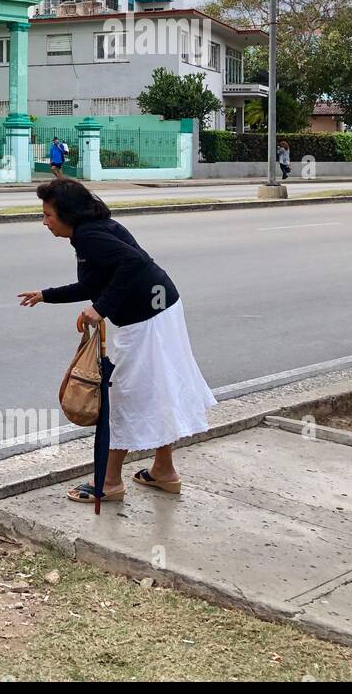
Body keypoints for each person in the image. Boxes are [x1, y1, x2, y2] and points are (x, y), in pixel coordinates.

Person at [17, 178, 216, 505]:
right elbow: (94, 283)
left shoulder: (90, 236)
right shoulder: (92, 231)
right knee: (158, 389)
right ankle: (163, 471)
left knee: (120, 395)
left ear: (67, 214)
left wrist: (102, 308)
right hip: (160, 307)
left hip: (149, 318)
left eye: (48, 215)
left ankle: (108, 483)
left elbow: (133, 263)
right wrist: (46, 295)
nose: (44, 222)